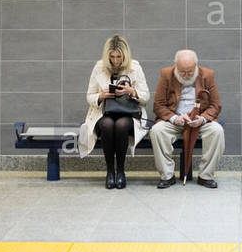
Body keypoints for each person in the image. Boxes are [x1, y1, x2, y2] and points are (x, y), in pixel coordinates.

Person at [78, 34, 150, 190]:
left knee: (121, 124)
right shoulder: (99, 67)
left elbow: (146, 97)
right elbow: (89, 96)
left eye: (119, 57)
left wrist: (131, 91)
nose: (116, 60)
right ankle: (110, 171)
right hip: (105, 113)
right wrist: (101, 96)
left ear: (125, 55)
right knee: (108, 124)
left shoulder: (135, 67)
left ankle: (121, 171)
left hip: (128, 115)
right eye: (112, 57)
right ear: (107, 56)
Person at [150, 49, 224, 188]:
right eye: (182, 72)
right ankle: (167, 176)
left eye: (189, 71)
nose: (185, 75)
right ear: (175, 66)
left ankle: (205, 175)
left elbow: (215, 105)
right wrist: (174, 118)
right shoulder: (167, 74)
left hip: (199, 120)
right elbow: (158, 105)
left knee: (216, 131)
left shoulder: (207, 75)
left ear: (196, 65)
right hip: (175, 120)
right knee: (157, 131)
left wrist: (202, 119)